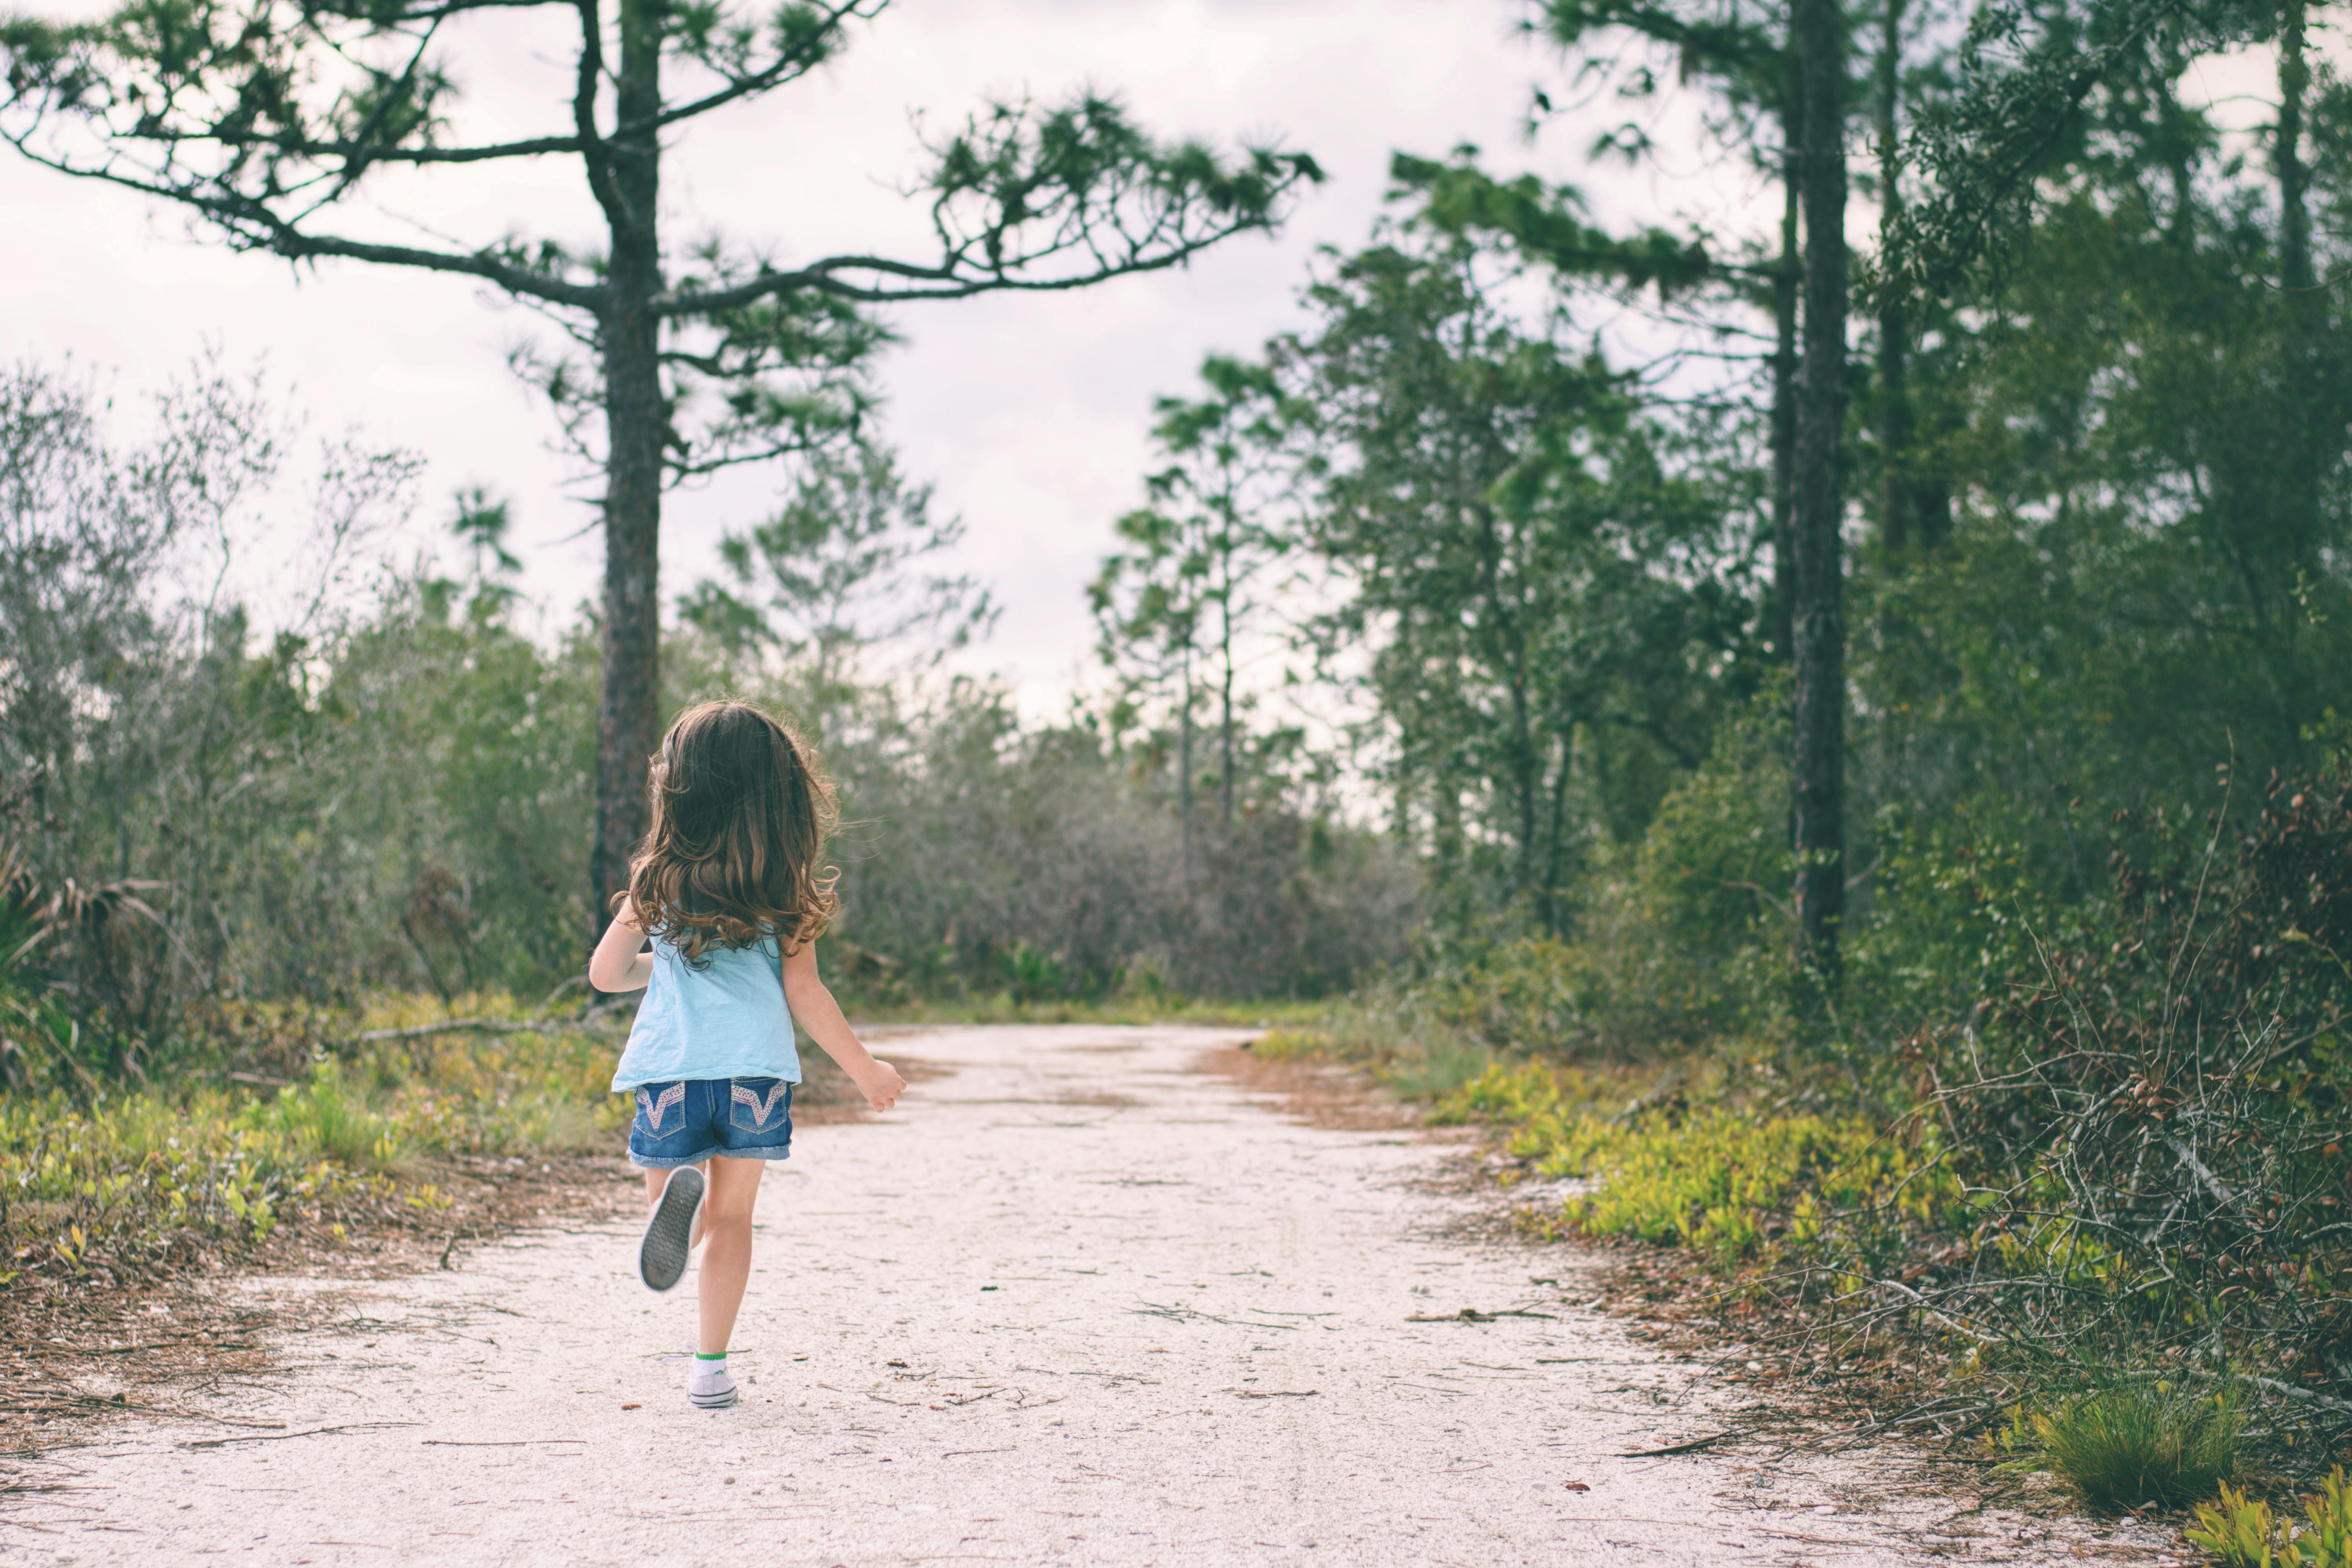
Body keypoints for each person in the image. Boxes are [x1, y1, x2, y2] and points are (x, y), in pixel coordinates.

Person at [588, 699, 906, 1410]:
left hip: (672, 1069)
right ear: (778, 797)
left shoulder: (654, 884)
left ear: (681, 792)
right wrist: (866, 1071)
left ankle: (680, 1208)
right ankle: (709, 1370)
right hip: (753, 1073)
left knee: (684, 1207)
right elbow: (806, 992)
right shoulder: (782, 890)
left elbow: (607, 976)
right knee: (736, 1220)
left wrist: (661, 969)